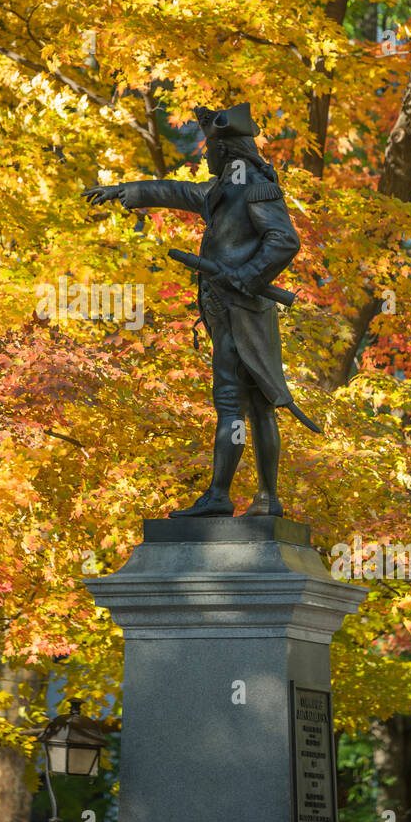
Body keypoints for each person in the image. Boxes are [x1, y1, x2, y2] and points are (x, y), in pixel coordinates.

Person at [83, 101, 318, 517]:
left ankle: (222, 496)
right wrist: (127, 192)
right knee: (257, 402)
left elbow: (284, 240)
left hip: (240, 309)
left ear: (226, 151)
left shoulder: (253, 186)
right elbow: (177, 191)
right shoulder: (225, 189)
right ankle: (264, 499)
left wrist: (247, 276)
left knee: (235, 401)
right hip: (226, 310)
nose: (204, 154)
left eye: (209, 148)